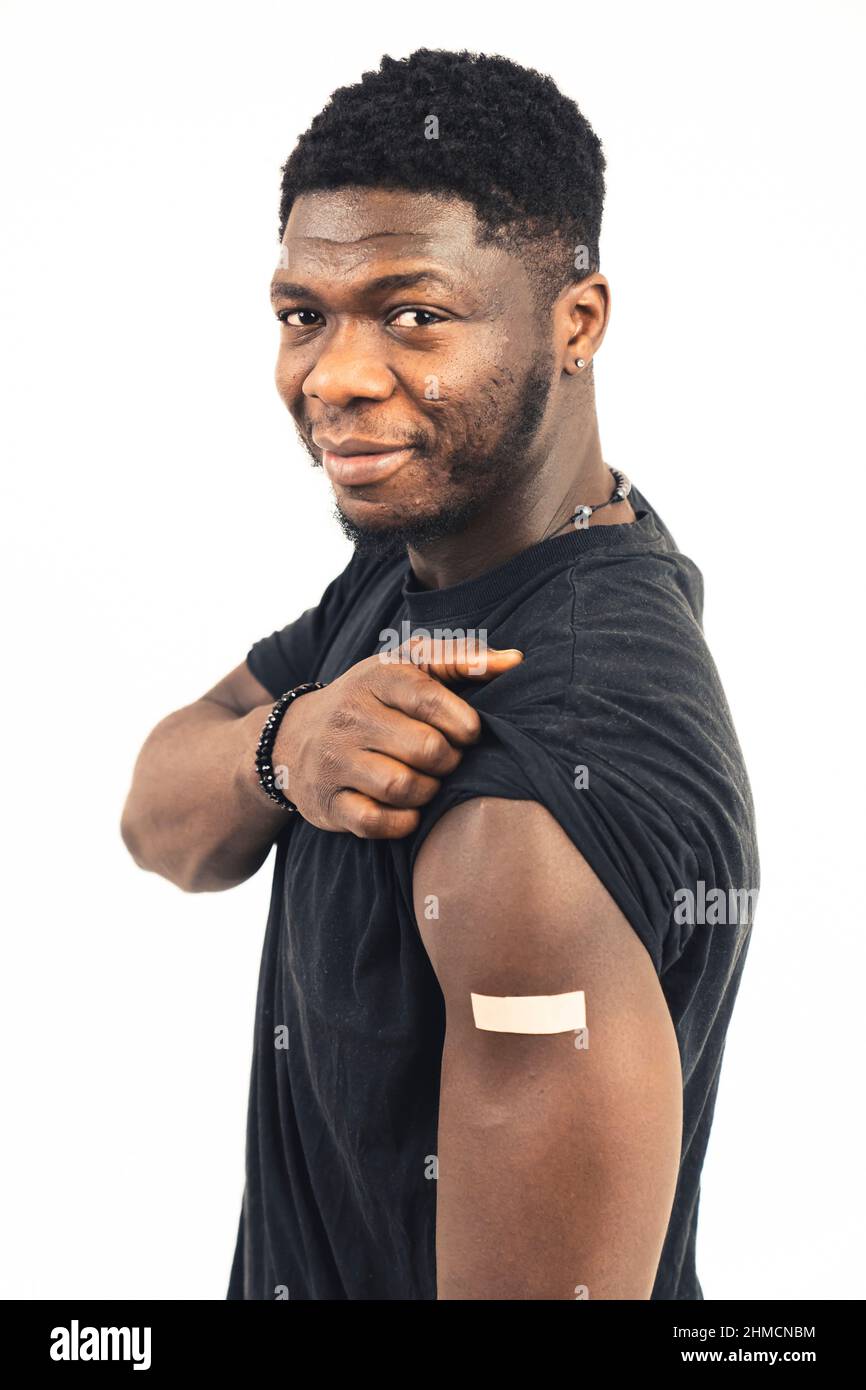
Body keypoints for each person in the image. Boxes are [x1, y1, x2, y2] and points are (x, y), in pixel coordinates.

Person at [121, 48, 759, 1300]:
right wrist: (287, 744)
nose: (337, 379)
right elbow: (161, 824)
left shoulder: (520, 834)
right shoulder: (436, 559)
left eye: (414, 315)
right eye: (305, 315)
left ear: (574, 323)